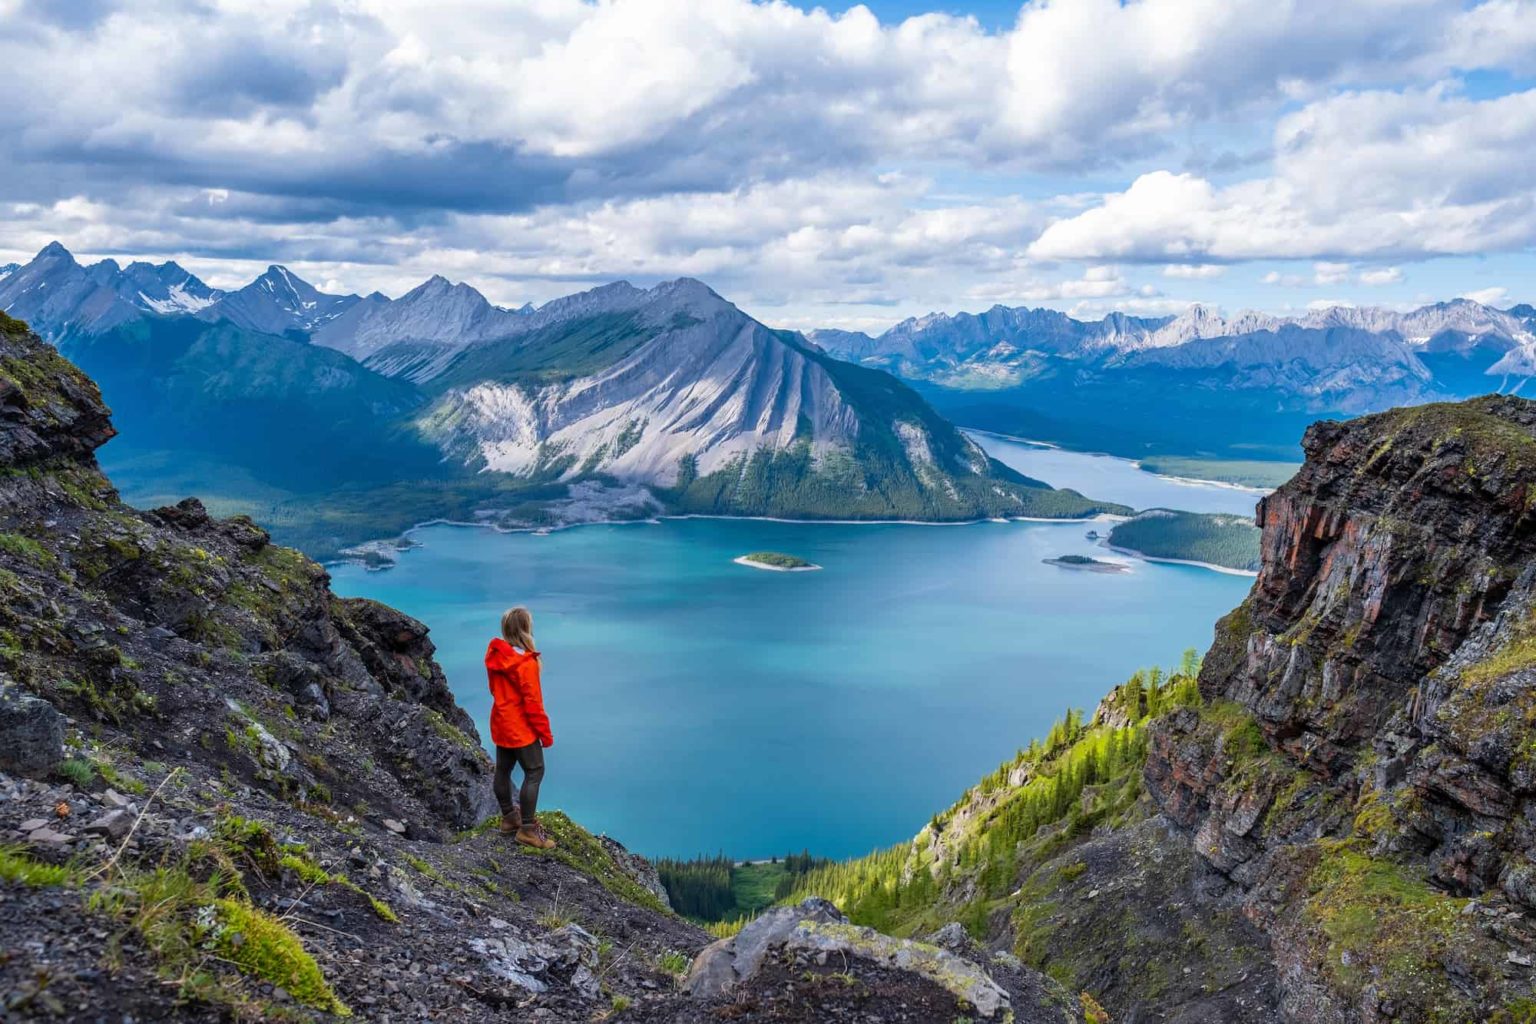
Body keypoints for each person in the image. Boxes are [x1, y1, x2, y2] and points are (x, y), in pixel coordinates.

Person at [485, 606, 556, 850]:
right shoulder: (526, 663)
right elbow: (533, 704)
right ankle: (527, 829)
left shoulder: (496, 656)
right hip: (520, 727)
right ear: (526, 629)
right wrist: (545, 734)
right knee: (535, 771)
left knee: (503, 770)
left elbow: (493, 689)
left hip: (501, 721)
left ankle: (508, 817)